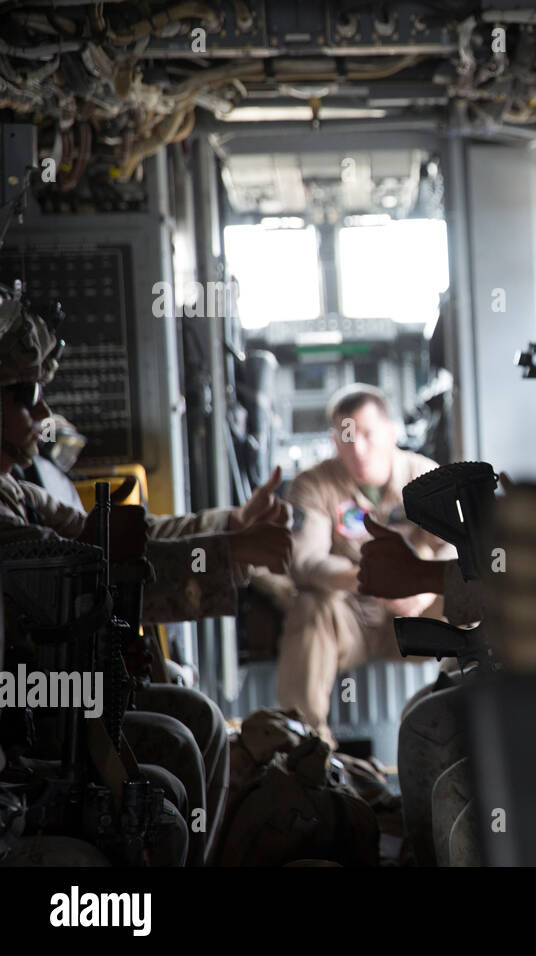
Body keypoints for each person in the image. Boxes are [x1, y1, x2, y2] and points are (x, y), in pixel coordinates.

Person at [0, 297, 293, 864]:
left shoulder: (16, 489)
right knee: (178, 751)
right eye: (28, 397)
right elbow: (87, 571)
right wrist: (230, 552)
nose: (44, 416)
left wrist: (231, 527)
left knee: (193, 725)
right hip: (38, 712)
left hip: (56, 701)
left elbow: (133, 533)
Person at [278, 383, 455, 748]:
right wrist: (372, 580)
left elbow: (460, 549)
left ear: (391, 432)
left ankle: (476, 723)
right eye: (347, 437)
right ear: (333, 440)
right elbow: (306, 562)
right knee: (311, 605)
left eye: (368, 434)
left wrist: (420, 588)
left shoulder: (426, 477)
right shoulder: (314, 484)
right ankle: (305, 748)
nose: (358, 448)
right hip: (351, 618)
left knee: (471, 596)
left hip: (418, 618)